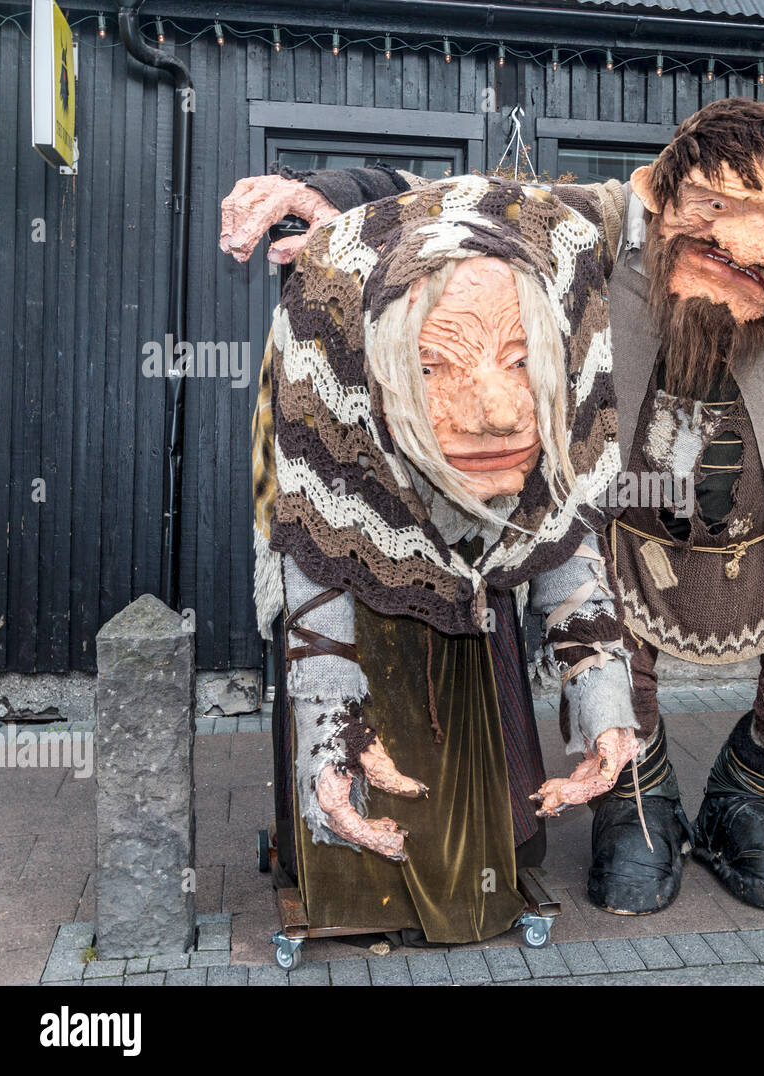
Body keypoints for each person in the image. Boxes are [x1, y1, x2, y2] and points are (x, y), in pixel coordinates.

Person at [224, 98, 764, 918]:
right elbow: (469, 197)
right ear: (670, 194)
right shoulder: (602, 224)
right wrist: (334, 191)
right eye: (721, 215)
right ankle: (637, 803)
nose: (741, 250)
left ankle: (748, 802)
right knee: (613, 662)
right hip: (625, 535)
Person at [249, 174, 635, 943]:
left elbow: (561, 547)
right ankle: (340, 875)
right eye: (433, 366)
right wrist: (331, 734)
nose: (496, 411)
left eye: (520, 361)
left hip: (477, 624)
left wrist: (607, 714)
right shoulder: (329, 404)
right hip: (366, 621)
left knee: (502, 830)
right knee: (350, 808)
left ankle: (487, 873)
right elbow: (312, 573)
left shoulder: (548, 415)